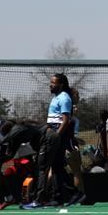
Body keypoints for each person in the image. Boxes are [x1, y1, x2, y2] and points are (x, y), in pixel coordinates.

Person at [34, 73, 76, 207]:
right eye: (50, 82)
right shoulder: (55, 98)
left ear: (61, 85)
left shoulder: (64, 98)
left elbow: (65, 120)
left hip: (58, 134)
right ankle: (60, 197)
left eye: (53, 82)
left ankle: (72, 194)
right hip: (52, 132)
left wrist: (57, 135)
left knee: (56, 165)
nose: (50, 85)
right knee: (56, 166)